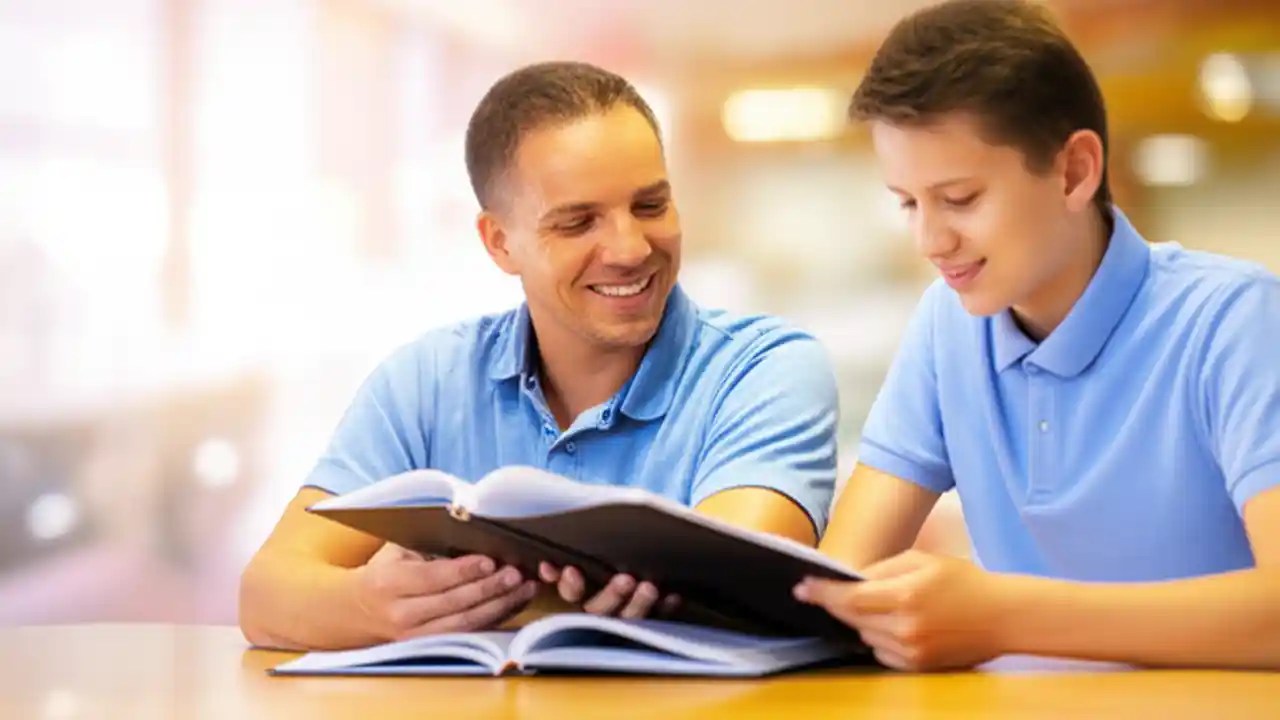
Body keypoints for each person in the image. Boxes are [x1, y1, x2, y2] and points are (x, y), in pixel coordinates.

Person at [240, 61, 839, 651]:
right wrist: (373, 606)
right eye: (578, 223)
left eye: (650, 206)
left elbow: (743, 585)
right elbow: (266, 594)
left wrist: (524, 606)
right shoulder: (426, 381)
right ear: (500, 242)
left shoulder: (764, 370)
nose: (630, 249)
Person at [796, 0, 1280, 671]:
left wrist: (1004, 617)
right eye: (907, 203)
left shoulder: (1234, 319)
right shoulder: (946, 326)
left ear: (1075, 171)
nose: (930, 241)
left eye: (960, 199)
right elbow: (832, 586)